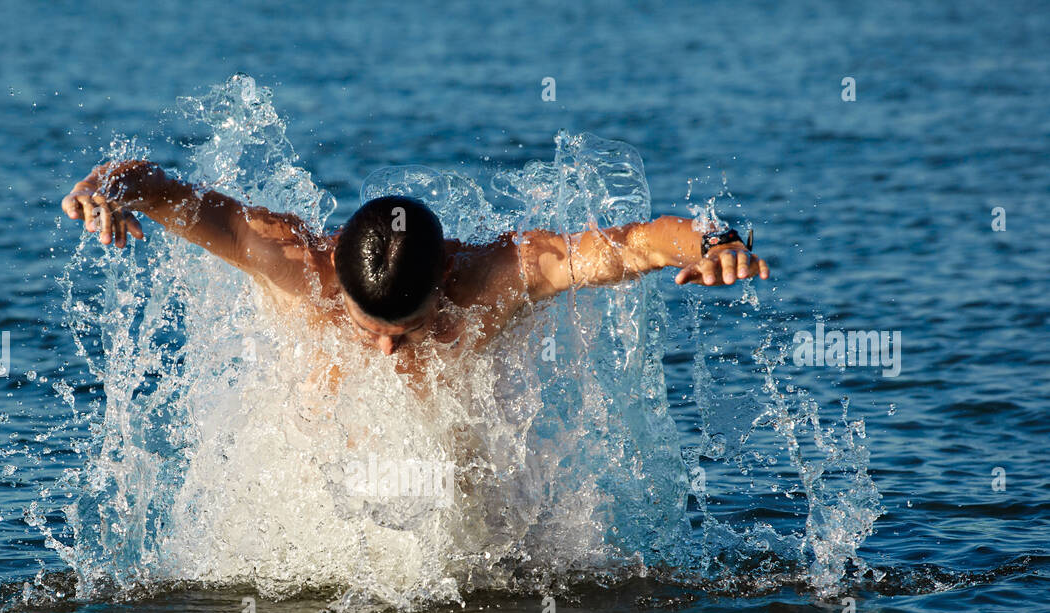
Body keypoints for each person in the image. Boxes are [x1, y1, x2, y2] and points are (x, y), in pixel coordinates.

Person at [60, 159, 769, 381]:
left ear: (446, 281)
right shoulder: (295, 266)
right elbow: (160, 189)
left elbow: (636, 243)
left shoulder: (495, 276)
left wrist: (711, 243)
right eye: (374, 328)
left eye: (408, 326)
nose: (387, 349)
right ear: (336, 276)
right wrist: (106, 193)